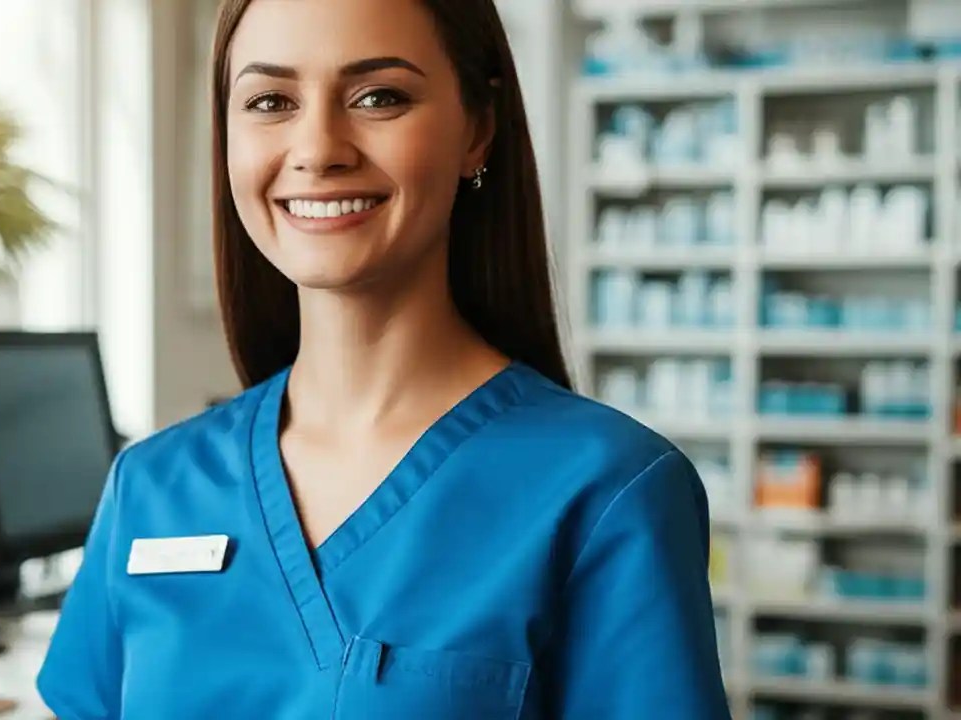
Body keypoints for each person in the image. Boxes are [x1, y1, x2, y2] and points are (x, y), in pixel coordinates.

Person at [38, 0, 731, 717]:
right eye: (270, 101)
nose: (318, 149)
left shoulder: (606, 490)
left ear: (478, 130)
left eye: (379, 97)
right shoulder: (151, 489)